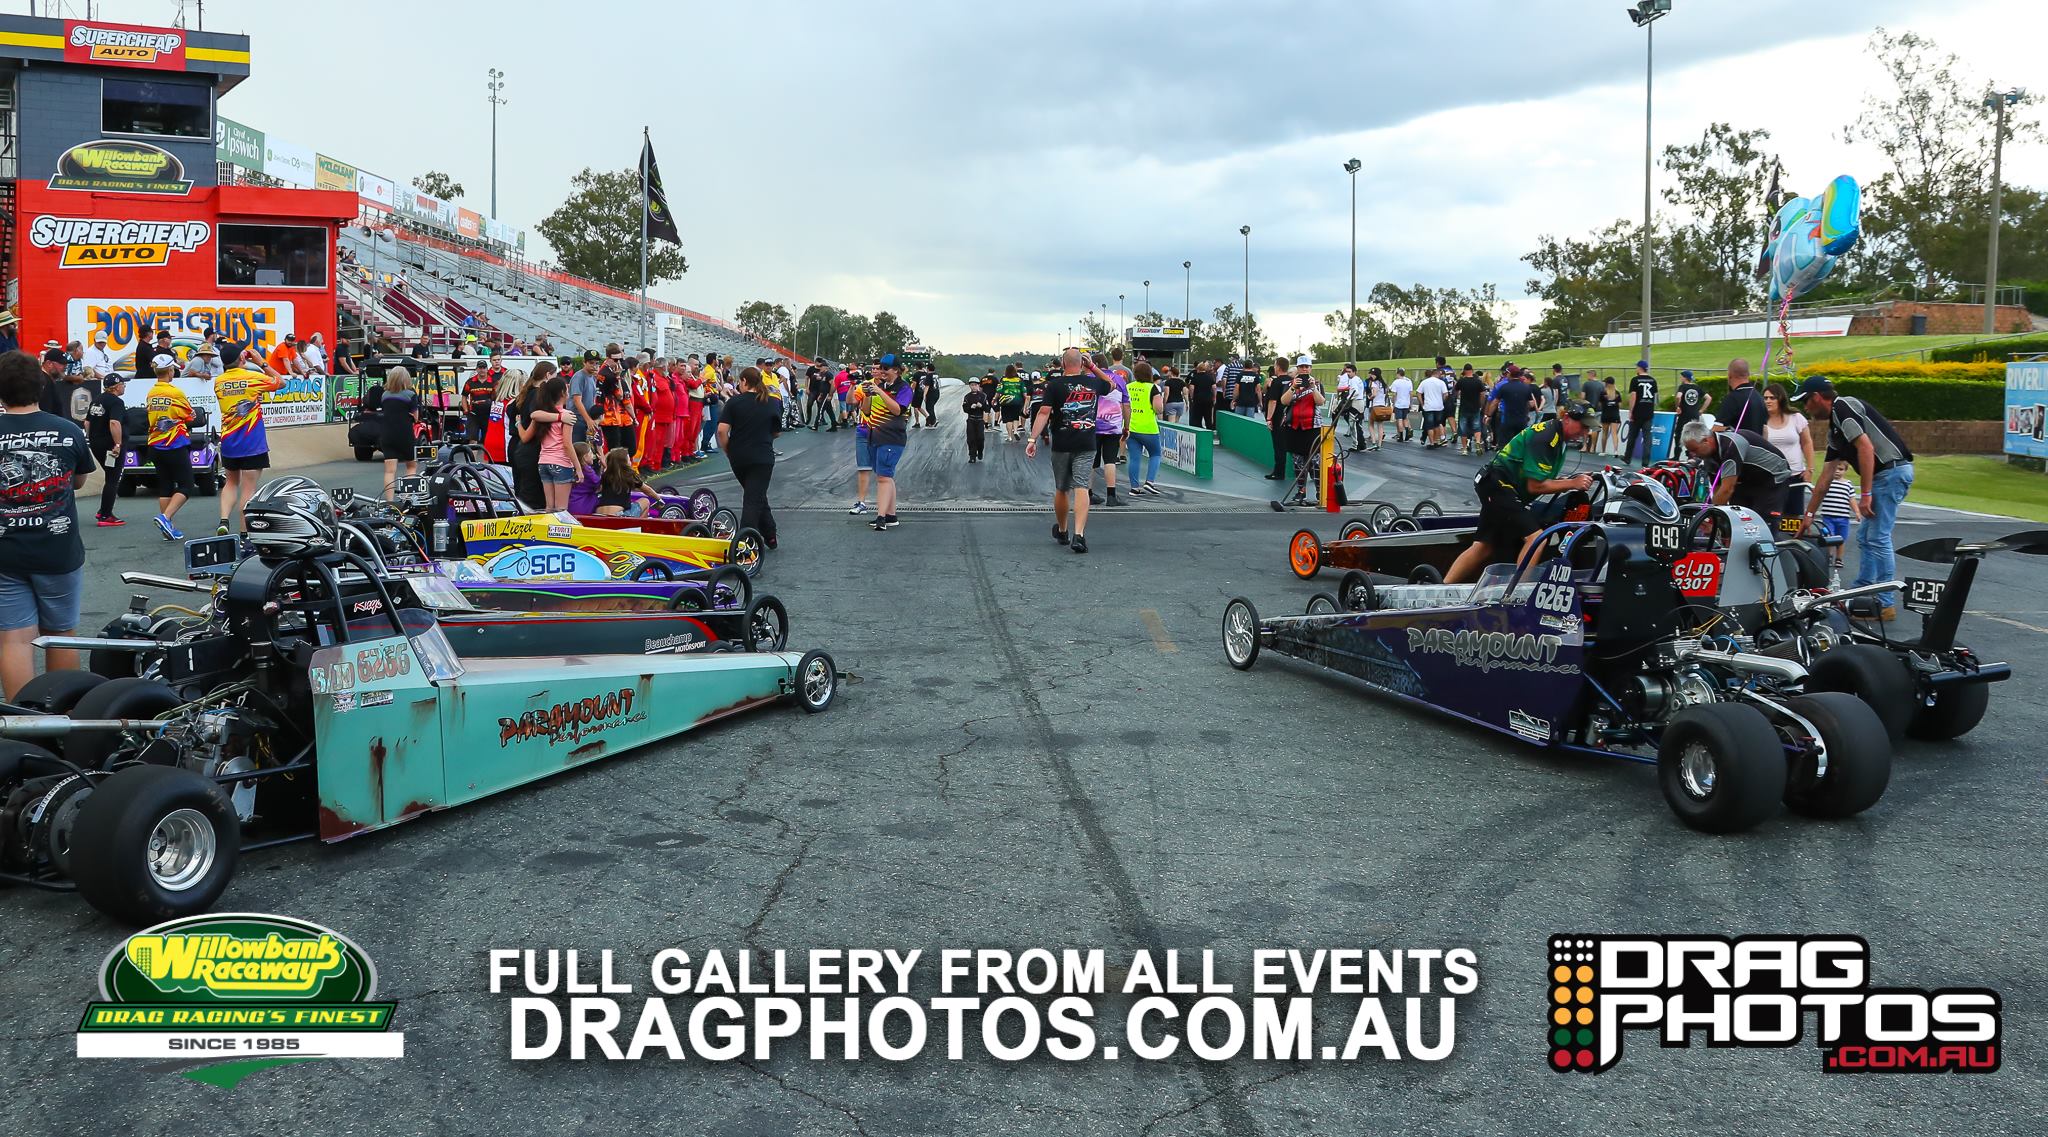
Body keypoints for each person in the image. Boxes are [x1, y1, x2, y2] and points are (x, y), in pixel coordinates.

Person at [0, 350, 97, 700]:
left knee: (13, 638)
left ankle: (22, 716)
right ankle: (62, 713)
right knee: (60, 634)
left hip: (6, 550)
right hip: (58, 549)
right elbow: (79, 481)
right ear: (41, 386)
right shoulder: (67, 430)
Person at [1794, 377, 1915, 620]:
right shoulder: (1836, 430)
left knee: (1878, 538)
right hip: (1886, 475)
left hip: (1890, 473)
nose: (1806, 408)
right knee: (1866, 537)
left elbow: (1866, 448)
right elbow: (1826, 476)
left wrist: (1865, 494)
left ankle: (1885, 604)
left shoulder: (1843, 407)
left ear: (1817, 397)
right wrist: (1809, 515)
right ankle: (1862, 593)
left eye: (1806, 401)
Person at [1446, 404, 1598, 584]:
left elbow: (1537, 476)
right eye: (1583, 426)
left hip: (1498, 485)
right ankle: (1517, 591)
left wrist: (1565, 481)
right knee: (1536, 538)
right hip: (1498, 485)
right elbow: (1535, 486)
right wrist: (1572, 483)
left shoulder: (1558, 437)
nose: (1585, 432)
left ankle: (1442, 587)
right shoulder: (1547, 437)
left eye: (1588, 428)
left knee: (1483, 546)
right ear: (1566, 418)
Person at [1027, 348, 1113, 555]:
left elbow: (1044, 412)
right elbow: (1111, 384)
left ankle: (1063, 530)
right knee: (1081, 486)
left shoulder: (1054, 385)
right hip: (1086, 442)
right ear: (1082, 363)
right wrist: (1093, 367)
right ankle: (1079, 534)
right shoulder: (1093, 383)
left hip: (1062, 443)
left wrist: (1032, 439)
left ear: (1064, 364)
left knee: (1062, 488)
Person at [212, 343, 286, 535]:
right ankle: (244, 533)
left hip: (229, 441)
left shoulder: (218, 382)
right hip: (251, 441)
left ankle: (223, 520)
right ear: (242, 358)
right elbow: (281, 382)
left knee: (230, 483)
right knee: (248, 489)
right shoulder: (252, 377)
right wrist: (262, 363)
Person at [719, 366, 783, 547]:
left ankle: (770, 534)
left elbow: (722, 431)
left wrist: (728, 450)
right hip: (762, 456)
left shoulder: (734, 402)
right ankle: (745, 542)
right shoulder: (772, 402)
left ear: (744, 381)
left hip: (739, 456)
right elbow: (776, 432)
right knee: (754, 498)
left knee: (755, 494)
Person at [1680, 420, 1795, 517]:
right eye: (1689, 451)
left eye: (1694, 450)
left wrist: (1710, 518)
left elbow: (1727, 490)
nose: (1693, 454)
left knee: (1762, 524)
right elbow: (1718, 490)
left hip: (1772, 479)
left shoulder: (1730, 446)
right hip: (1746, 480)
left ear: (1706, 440)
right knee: (1737, 520)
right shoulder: (1708, 457)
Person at [142, 353, 195, 540]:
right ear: (170, 370)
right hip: (174, 443)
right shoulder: (175, 392)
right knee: (187, 485)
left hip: (155, 444)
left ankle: (168, 527)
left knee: (165, 485)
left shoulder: (151, 393)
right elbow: (190, 415)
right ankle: (165, 518)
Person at [855, 354, 911, 531]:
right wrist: (867, 395)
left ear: (896, 370)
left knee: (883, 478)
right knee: (885, 476)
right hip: (874, 436)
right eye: (880, 369)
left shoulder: (904, 388)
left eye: (885, 369)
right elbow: (866, 411)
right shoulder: (879, 386)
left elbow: (898, 410)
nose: (882, 372)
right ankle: (891, 515)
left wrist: (880, 392)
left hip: (892, 438)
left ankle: (881, 516)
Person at [532, 375, 584, 511]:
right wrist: (578, 468)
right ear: (562, 393)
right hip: (561, 462)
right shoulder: (567, 415)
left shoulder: (545, 414)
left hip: (543, 462)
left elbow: (534, 415)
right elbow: (567, 444)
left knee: (549, 507)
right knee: (561, 509)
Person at [1760, 382, 1814, 514]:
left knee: (1795, 516)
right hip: (1770, 478)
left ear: (1781, 399)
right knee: (1773, 516)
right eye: (1765, 398)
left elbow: (1807, 443)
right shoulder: (1760, 420)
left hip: (1795, 476)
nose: (1768, 401)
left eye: (1772, 398)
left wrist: (1810, 469)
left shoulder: (1796, 417)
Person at [85, 370, 128, 526]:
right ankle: (105, 515)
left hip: (96, 443)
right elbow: (114, 423)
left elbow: (87, 422)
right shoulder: (116, 402)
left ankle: (103, 510)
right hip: (110, 445)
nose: (124, 387)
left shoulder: (97, 400)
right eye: (123, 384)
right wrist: (117, 444)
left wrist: (91, 439)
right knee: (113, 479)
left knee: (110, 476)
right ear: (116, 386)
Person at [1280, 357, 1324, 499]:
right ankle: (1301, 491)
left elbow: (1321, 402)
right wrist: (1293, 387)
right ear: (1298, 368)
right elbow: (1284, 401)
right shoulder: (1290, 383)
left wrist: (1313, 388)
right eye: (1302, 367)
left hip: (1312, 427)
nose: (1304, 369)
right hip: (1294, 427)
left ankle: (1320, 491)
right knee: (1298, 461)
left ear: (1311, 368)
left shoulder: (1316, 384)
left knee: (1315, 461)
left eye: (1307, 366)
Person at [375, 366, 421, 498]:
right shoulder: (410, 394)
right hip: (404, 433)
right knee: (411, 466)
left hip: (387, 433)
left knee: (389, 471)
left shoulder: (385, 395)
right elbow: (416, 417)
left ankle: (390, 501)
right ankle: (407, 498)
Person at [1096, 353, 1131, 504]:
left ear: (1095, 365)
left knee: (1092, 460)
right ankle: (1111, 496)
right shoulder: (1119, 379)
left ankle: (1088, 494)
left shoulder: (1089, 379)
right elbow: (1126, 405)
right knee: (1110, 460)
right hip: (1113, 426)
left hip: (1092, 426)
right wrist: (1126, 426)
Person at [1125, 361, 1165, 494]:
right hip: (1148, 428)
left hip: (1131, 427)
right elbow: (1158, 409)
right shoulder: (1153, 388)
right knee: (1155, 454)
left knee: (1134, 458)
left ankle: (1134, 488)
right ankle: (1149, 482)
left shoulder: (1128, 387)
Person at [1715, 358, 1767, 436]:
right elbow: (1765, 429)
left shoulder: (1732, 399)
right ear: (1748, 374)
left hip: (1740, 443)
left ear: (1729, 375)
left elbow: (1717, 429)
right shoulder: (1759, 397)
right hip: (1757, 443)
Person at [1622, 360, 1657, 466]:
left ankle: (1627, 457)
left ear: (1640, 368)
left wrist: (1631, 411)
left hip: (1638, 411)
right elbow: (1655, 396)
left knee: (1632, 436)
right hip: (1648, 411)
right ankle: (1646, 461)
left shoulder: (1635, 380)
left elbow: (1633, 396)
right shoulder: (1653, 380)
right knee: (1647, 437)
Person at [1670, 370, 1711, 460]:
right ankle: (1691, 455)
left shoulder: (1683, 387)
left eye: (1682, 376)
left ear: (1685, 378)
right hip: (1695, 415)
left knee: (1679, 434)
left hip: (1684, 415)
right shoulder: (1697, 388)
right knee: (1693, 435)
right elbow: (1708, 398)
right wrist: (1702, 410)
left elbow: (1678, 396)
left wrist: (1678, 407)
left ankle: (1677, 455)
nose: (1681, 378)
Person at [462, 360, 497, 444]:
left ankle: (485, 453)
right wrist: (466, 410)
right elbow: (464, 396)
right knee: (472, 439)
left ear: (487, 369)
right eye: (480, 368)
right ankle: (472, 453)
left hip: (488, 415)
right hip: (473, 415)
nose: (482, 370)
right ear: (476, 369)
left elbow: (498, 397)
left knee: (488, 440)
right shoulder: (470, 382)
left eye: (484, 368)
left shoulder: (493, 381)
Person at [1455, 365, 1487, 456]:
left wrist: (1458, 397)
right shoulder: (1478, 381)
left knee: (1463, 428)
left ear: (1464, 370)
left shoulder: (1461, 381)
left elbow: (1456, 391)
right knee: (1477, 426)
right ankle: (1478, 442)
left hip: (1464, 407)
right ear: (1472, 370)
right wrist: (1481, 404)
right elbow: (1483, 394)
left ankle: (1464, 448)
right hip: (1475, 407)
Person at [1418, 367, 1449, 448]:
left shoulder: (1425, 382)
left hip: (1428, 406)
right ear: (1437, 374)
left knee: (1430, 426)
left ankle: (1431, 442)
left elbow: (1419, 393)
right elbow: (1446, 394)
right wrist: (1442, 401)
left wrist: (1422, 403)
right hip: (1439, 406)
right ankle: (1436, 441)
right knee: (1437, 424)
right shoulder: (1441, 382)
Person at [962, 376, 989, 462]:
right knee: (971, 438)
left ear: (978, 386)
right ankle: (972, 456)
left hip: (980, 419)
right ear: (970, 386)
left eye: (975, 385)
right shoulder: (967, 397)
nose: (974, 387)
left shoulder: (983, 396)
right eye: (972, 385)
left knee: (980, 438)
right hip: (971, 419)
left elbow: (987, 408)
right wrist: (970, 407)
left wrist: (982, 406)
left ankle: (980, 450)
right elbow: (965, 409)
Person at [998, 363, 1027, 441]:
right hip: (1017, 401)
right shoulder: (1019, 380)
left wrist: (994, 399)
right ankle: (1016, 431)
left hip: (1006, 401)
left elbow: (999, 391)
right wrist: (1026, 402)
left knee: (1008, 419)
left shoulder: (1003, 380)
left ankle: (1009, 436)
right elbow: (1024, 392)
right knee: (1015, 417)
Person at [1188, 360, 1218, 432]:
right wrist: (1214, 397)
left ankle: (1198, 431)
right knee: (1208, 417)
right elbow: (1214, 387)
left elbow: (1191, 388)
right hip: (1208, 399)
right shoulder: (1210, 377)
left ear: (1198, 369)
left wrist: (1192, 397)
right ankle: (1209, 431)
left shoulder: (1195, 377)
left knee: (1197, 418)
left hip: (1198, 399)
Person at [1597, 376, 1623, 457]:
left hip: (1606, 414)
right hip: (1615, 414)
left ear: (1607, 384)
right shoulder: (1617, 393)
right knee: (1614, 433)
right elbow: (1620, 405)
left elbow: (1599, 404)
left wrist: (1606, 404)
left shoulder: (1603, 393)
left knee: (1604, 433)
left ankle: (1603, 451)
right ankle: (1616, 451)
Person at [1389, 368, 1414, 443]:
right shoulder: (1408, 382)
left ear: (1398, 374)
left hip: (1398, 403)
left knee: (1399, 419)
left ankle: (1401, 436)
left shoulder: (1396, 382)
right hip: (1406, 403)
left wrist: (1393, 402)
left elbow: (1394, 394)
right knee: (1405, 418)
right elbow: (1411, 393)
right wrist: (1410, 403)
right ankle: (1407, 433)